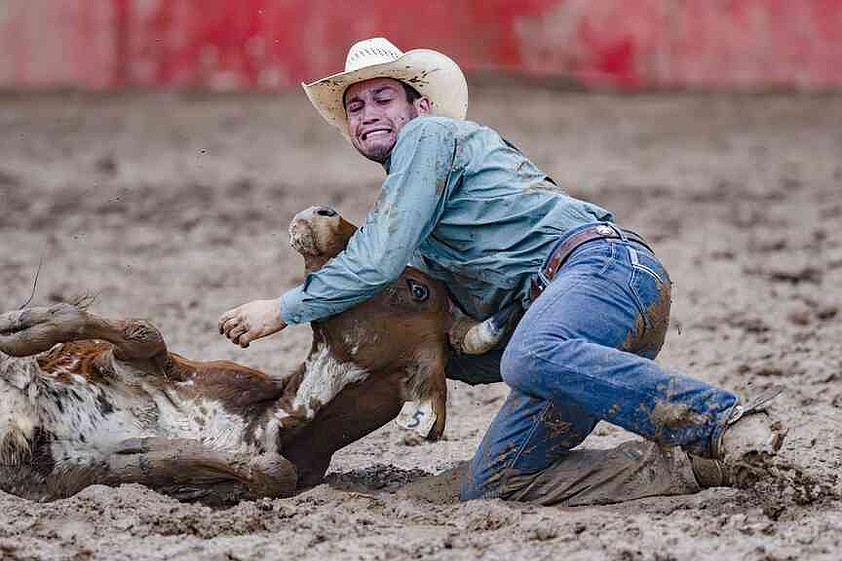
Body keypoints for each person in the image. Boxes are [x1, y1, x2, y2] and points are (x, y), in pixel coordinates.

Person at [218, 38, 784, 505]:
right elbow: (434, 320)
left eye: (382, 97)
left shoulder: (429, 137)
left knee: (529, 355)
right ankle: (690, 471)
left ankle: (722, 421)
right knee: (496, 485)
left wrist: (284, 309)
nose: (367, 114)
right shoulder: (430, 218)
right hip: (585, 321)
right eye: (356, 107)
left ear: (420, 108)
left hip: (602, 270)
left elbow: (378, 259)